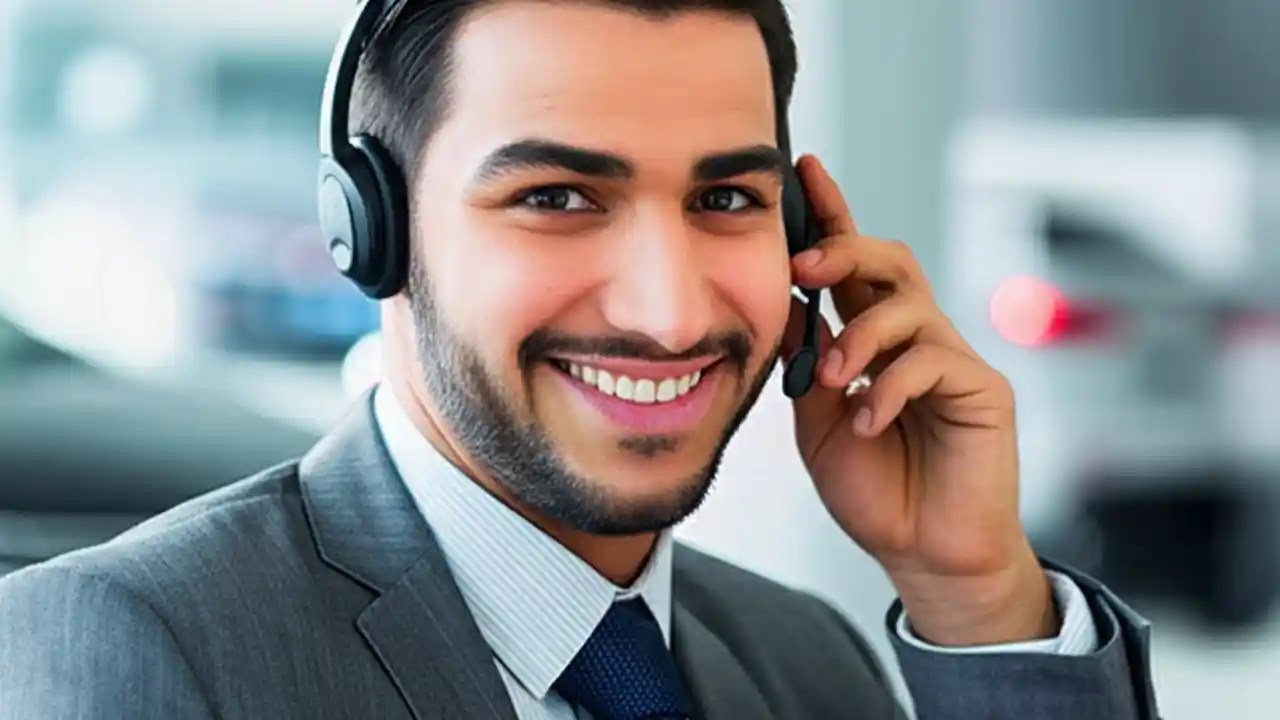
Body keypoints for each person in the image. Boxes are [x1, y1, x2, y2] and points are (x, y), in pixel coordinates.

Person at [0, 1, 1160, 718]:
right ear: (374, 230)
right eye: (555, 196)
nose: (665, 314)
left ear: (805, 244)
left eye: (723, 197)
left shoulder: (805, 662)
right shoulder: (133, 643)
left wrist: (976, 596)